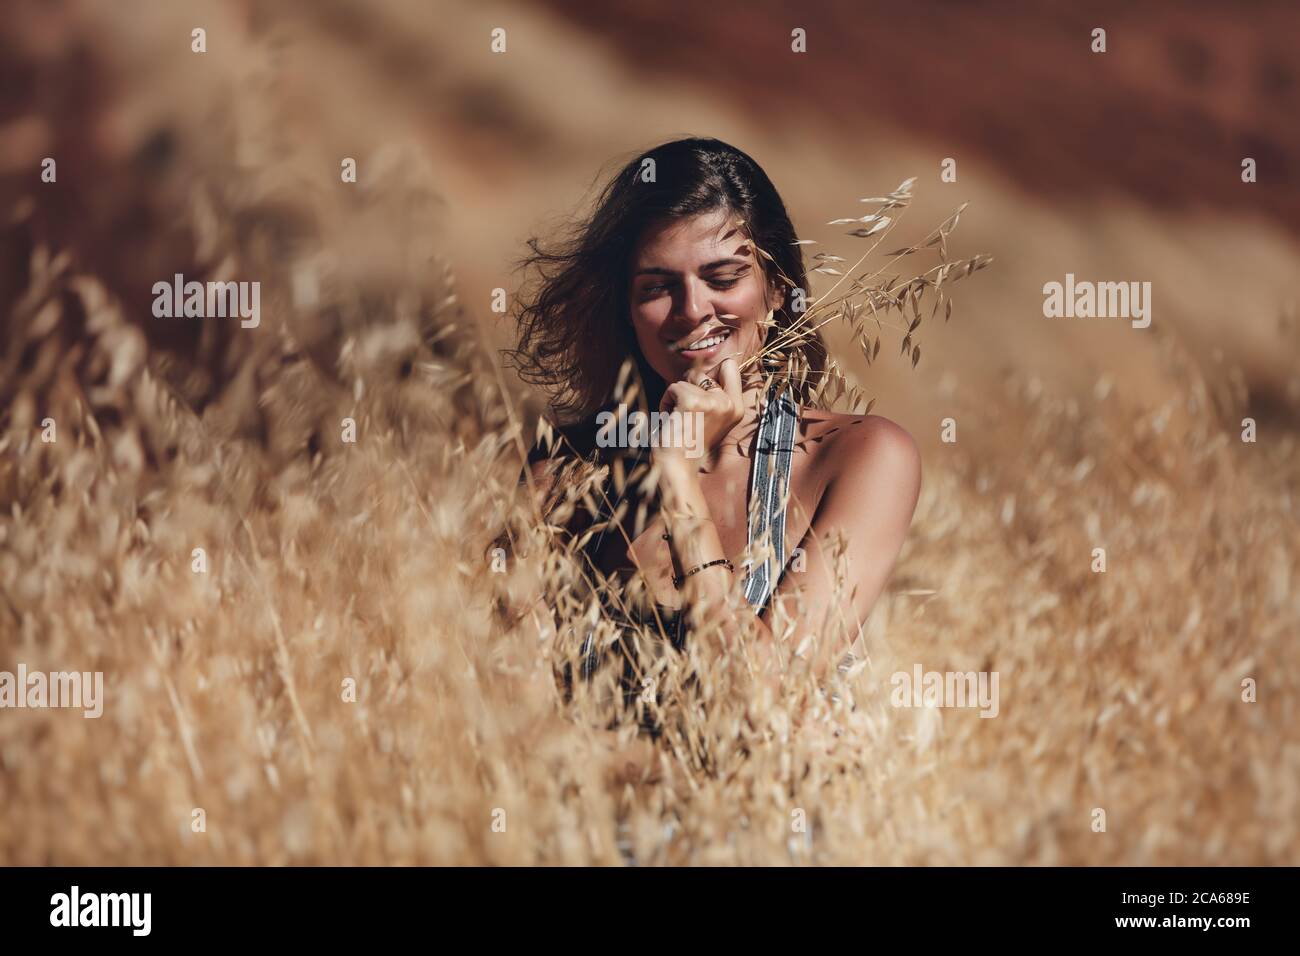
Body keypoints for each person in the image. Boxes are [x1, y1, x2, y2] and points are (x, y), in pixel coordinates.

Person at [507, 136, 921, 742]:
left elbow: (752, 698)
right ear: (625, 307)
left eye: (723, 277)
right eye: (656, 287)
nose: (691, 309)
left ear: (777, 291)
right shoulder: (561, 475)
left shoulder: (861, 457)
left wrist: (676, 478)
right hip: (587, 831)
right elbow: (512, 727)